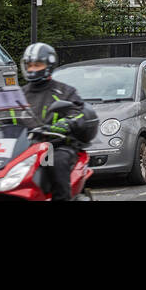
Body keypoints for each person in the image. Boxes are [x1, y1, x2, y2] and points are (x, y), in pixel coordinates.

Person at [18, 42, 91, 201]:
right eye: (29, 65)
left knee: (55, 163)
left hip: (54, 146)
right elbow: (5, 118)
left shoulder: (65, 92)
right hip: (24, 149)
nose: (32, 69)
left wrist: (66, 123)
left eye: (37, 65)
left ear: (49, 65)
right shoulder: (19, 94)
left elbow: (78, 113)